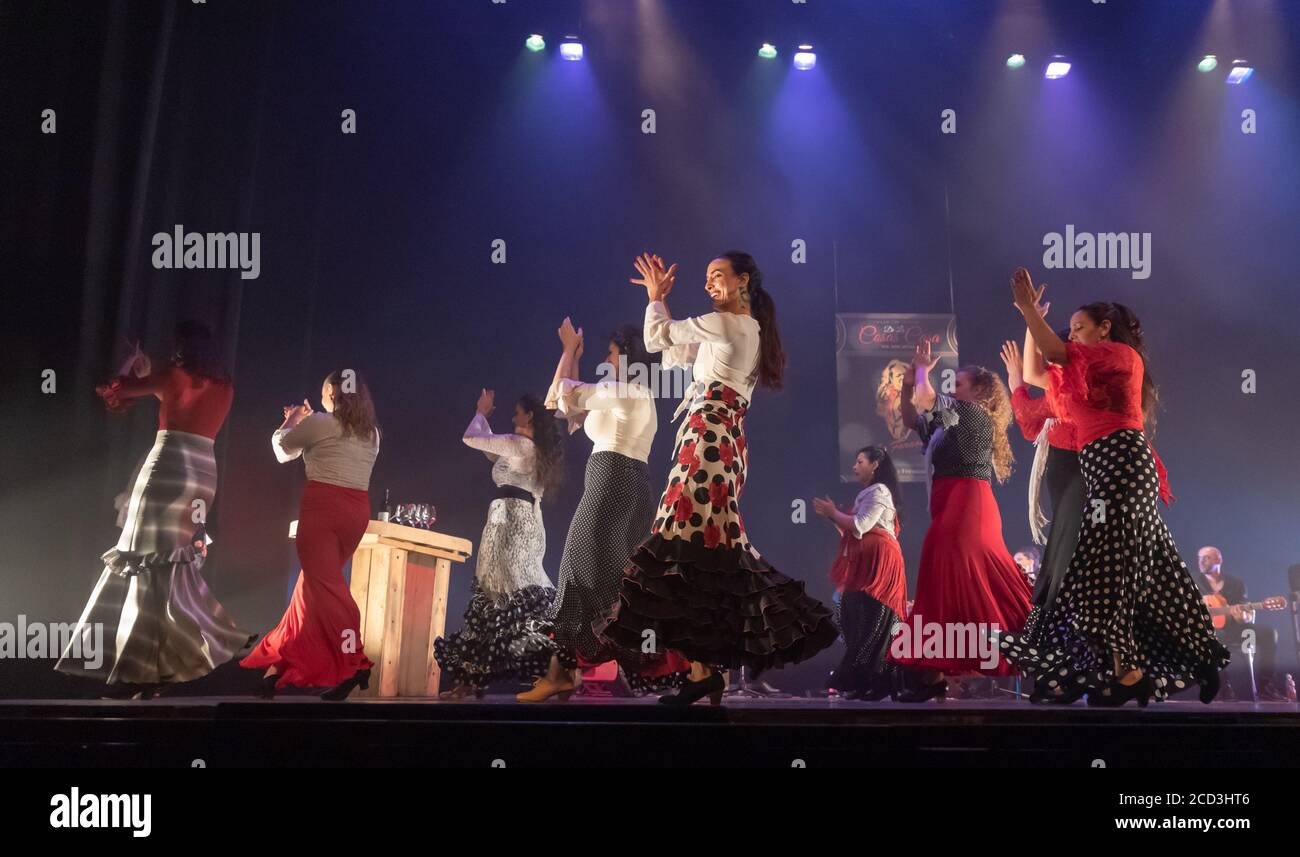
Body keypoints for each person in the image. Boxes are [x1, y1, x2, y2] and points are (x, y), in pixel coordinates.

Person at [597, 252, 837, 706]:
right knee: (706, 547)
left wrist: (654, 298)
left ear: (742, 280)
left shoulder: (732, 324)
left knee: (683, 541)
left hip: (708, 438)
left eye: (717, 276)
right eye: (706, 277)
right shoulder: (737, 328)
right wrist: (662, 306)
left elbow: (653, 339)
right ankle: (708, 670)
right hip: (715, 439)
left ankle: (707, 669)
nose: (709, 284)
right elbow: (672, 354)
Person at [997, 269, 1230, 705]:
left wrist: (1031, 312)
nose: (1074, 335)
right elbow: (1033, 371)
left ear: (1105, 329)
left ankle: (1131, 673)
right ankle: (1188, 662)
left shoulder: (1121, 356)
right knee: (1146, 566)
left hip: (1122, 465)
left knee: (1102, 567)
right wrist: (1029, 319)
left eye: (1081, 328)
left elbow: (1052, 350)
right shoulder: (1078, 377)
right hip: (1104, 468)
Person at [57, 321, 252, 697]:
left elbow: (114, 392)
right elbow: (174, 397)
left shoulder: (173, 375)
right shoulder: (225, 386)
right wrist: (154, 377)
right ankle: (162, 663)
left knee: (142, 559)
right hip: (203, 474)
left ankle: (144, 667)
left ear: (182, 348)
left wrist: (131, 364)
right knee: (169, 563)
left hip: (167, 468)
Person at [520, 319, 688, 702]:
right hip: (626, 485)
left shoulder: (623, 391)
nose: (606, 358)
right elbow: (565, 409)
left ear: (626, 357)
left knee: (578, 570)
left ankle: (565, 669)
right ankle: (573, 669)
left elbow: (558, 395)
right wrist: (573, 358)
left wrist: (566, 351)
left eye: (611, 352)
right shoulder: (630, 395)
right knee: (613, 579)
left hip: (612, 483)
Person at [887, 339, 1032, 702]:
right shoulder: (950, 420)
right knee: (942, 582)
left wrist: (922, 369)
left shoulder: (971, 414)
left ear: (979, 392)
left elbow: (926, 399)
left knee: (962, 580)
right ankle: (932, 674)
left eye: (959, 383)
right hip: (952, 505)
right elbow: (910, 418)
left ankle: (1038, 648)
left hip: (968, 506)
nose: (952, 388)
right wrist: (909, 383)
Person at [241, 370, 380, 701]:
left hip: (324, 510)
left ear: (332, 393)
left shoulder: (321, 422)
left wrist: (292, 420)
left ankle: (355, 658)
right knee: (311, 590)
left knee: (328, 588)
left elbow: (282, 450)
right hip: (356, 511)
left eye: (323, 392)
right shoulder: (372, 433)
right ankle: (276, 671)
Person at [434, 390, 564, 698]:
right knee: (499, 593)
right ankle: (474, 678)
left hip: (510, 525)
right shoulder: (525, 449)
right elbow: (489, 449)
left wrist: (481, 412)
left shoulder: (521, 445)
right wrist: (484, 421)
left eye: (517, 412)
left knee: (508, 592)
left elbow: (471, 438)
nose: (512, 417)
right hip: (514, 522)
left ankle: (558, 666)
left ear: (529, 416)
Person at [1001, 334, 1088, 703]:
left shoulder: (1082, 382)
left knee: (1070, 578)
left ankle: (1075, 672)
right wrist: (1017, 383)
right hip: (1066, 483)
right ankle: (1054, 672)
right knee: (1059, 579)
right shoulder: (1057, 392)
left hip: (1084, 481)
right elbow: (1030, 422)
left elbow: (1033, 413)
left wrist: (1030, 317)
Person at [813, 446, 906, 701]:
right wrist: (833, 517)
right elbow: (850, 532)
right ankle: (868, 681)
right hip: (865, 564)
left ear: (875, 464)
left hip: (879, 565)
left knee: (871, 623)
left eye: (860, 461)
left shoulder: (879, 491)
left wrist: (834, 513)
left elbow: (861, 525)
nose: (854, 467)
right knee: (856, 622)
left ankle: (871, 680)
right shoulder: (867, 494)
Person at [1195, 546, 1282, 701]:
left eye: (1206, 557)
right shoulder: (1193, 582)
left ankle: (1265, 686)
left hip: (1238, 632)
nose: (1201, 561)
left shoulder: (1235, 583)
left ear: (1218, 559)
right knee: (1211, 638)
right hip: (1209, 633)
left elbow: (1247, 613)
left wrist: (1243, 618)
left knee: (1269, 633)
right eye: (1199, 557)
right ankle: (1223, 687)